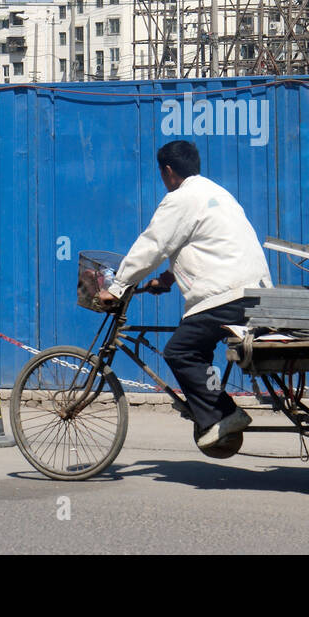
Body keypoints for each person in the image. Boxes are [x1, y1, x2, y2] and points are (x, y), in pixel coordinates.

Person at [97, 140, 272, 447]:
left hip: (226, 294)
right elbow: (205, 245)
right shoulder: (218, 193)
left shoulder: (181, 198)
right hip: (253, 291)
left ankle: (225, 412)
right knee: (199, 353)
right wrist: (166, 278)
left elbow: (154, 244)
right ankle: (218, 406)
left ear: (168, 172)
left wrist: (118, 286)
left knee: (179, 351)